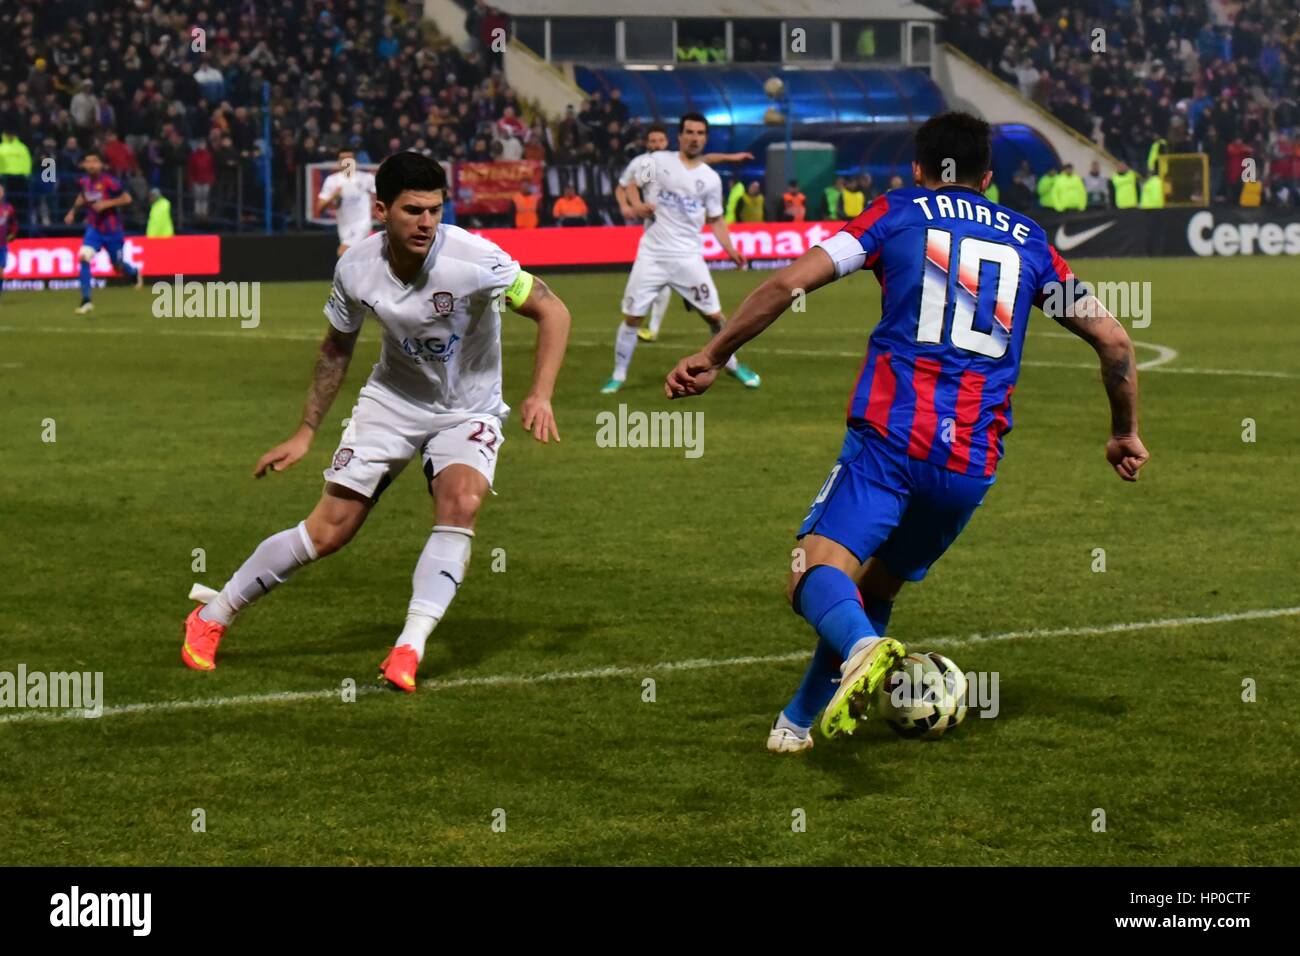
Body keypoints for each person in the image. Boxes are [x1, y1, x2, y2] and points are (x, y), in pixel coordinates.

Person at [662, 111, 1148, 752]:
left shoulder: (898, 213)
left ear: (918, 169)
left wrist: (716, 353)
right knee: (878, 585)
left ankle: (863, 648)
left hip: (892, 438)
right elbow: (1113, 340)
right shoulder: (1029, 241)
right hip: (970, 461)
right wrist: (1123, 432)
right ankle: (796, 724)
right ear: (990, 177)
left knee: (810, 571)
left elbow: (788, 282)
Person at [179, 152, 572, 692]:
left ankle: (408, 648)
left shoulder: (477, 258)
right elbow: (337, 348)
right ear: (383, 210)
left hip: (469, 408)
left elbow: (554, 309)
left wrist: (541, 395)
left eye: (435, 210)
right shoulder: (355, 267)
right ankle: (213, 615)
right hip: (392, 403)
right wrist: (304, 431)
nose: (427, 222)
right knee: (329, 531)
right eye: (413, 211)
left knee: (463, 503)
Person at [602, 112, 760, 393]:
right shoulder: (659, 162)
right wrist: (636, 205)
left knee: (714, 317)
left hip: (688, 257)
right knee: (633, 318)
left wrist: (731, 250)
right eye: (690, 132)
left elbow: (716, 220)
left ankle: (734, 365)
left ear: (705, 138)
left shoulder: (709, 179)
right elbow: (633, 184)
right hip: (651, 254)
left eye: (700, 133)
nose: (695, 137)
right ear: (680, 136)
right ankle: (618, 375)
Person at [616, 124, 752, 342]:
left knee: (708, 311)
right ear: (647, 144)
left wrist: (733, 157)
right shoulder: (646, 163)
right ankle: (654, 328)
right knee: (654, 292)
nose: (656, 144)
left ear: (667, 142)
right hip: (656, 240)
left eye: (660, 140)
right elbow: (626, 185)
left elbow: (707, 159)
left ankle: (663, 322)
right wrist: (632, 205)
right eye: (652, 141)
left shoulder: (679, 162)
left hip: (684, 247)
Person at [64, 149, 143, 315]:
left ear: (101, 165)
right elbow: (82, 196)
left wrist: (106, 204)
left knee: (118, 266)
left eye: (95, 161)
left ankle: (134, 272)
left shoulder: (109, 181)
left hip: (113, 231)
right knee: (83, 257)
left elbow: (127, 198)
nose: (91, 165)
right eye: (88, 161)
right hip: (94, 230)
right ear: (84, 165)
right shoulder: (84, 182)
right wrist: (72, 211)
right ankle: (86, 301)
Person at [314, 149, 377, 257]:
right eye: (343, 159)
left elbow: (383, 195)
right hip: (344, 227)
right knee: (354, 259)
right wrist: (334, 196)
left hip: (362, 224)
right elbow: (319, 208)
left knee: (343, 252)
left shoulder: (367, 178)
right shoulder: (332, 180)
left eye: (349, 158)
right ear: (339, 162)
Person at [0, 184, 17, 302]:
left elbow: (14, 223)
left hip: (2, 245)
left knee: (1, 273)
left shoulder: (8, 208)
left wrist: (12, 234)